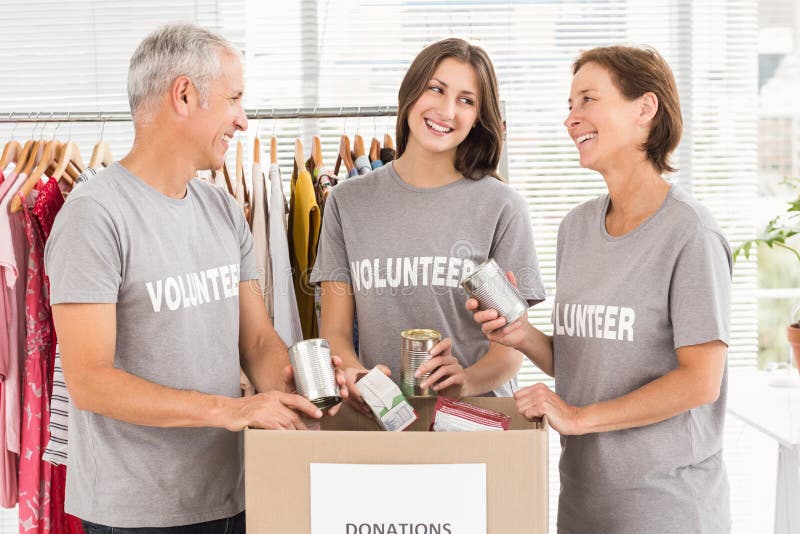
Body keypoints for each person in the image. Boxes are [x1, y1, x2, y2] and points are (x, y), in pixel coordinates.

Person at [45, 24, 345, 532]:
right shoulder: (93, 215)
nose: (243, 120)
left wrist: (304, 389)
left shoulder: (222, 209)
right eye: (234, 99)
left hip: (233, 495)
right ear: (184, 95)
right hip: (138, 514)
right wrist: (231, 410)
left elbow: (256, 340)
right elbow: (89, 381)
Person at [469, 45, 732, 533]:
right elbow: (586, 362)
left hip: (666, 509)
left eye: (588, 99)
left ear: (644, 108)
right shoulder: (576, 228)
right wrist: (521, 334)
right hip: (584, 503)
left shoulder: (691, 234)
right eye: (570, 105)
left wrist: (576, 417)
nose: (571, 118)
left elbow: (701, 381)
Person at [311, 37, 545, 411]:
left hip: (476, 423)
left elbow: (510, 351)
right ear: (411, 92)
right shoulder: (347, 202)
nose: (447, 110)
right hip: (382, 422)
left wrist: (466, 381)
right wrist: (365, 385)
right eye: (436, 89)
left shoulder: (503, 207)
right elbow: (335, 333)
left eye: (466, 100)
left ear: (478, 117)